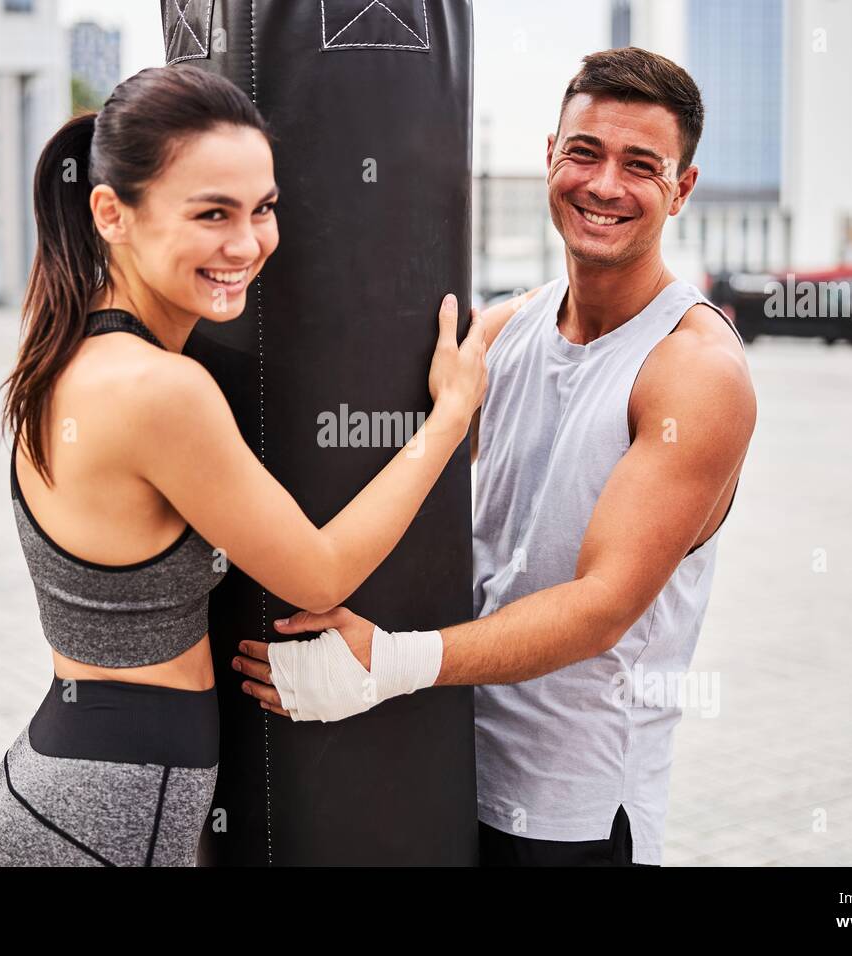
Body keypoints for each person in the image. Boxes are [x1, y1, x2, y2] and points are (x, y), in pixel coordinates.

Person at [235, 47, 757, 867]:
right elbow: (408, 490)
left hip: (570, 815)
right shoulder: (505, 332)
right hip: (446, 771)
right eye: (584, 151)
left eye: (641, 166)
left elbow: (603, 605)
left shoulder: (695, 372)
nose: (605, 184)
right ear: (550, 155)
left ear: (681, 189)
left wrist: (388, 664)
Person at [0, 65, 487, 867]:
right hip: (107, 821)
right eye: (213, 213)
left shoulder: (75, 350)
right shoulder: (162, 391)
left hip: (71, 793)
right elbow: (319, 576)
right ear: (111, 212)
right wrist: (449, 419)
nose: (247, 244)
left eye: (264, 209)